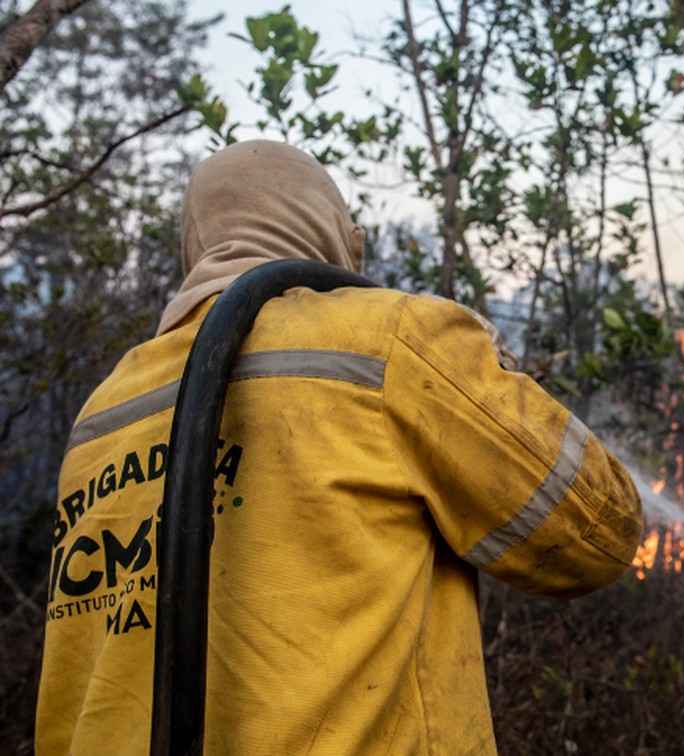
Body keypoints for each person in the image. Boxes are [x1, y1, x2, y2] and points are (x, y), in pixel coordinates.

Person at [36, 140, 644, 754]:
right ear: (336, 233)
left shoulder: (103, 410)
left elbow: (71, 693)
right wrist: (488, 378)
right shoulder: (390, 340)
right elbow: (598, 536)